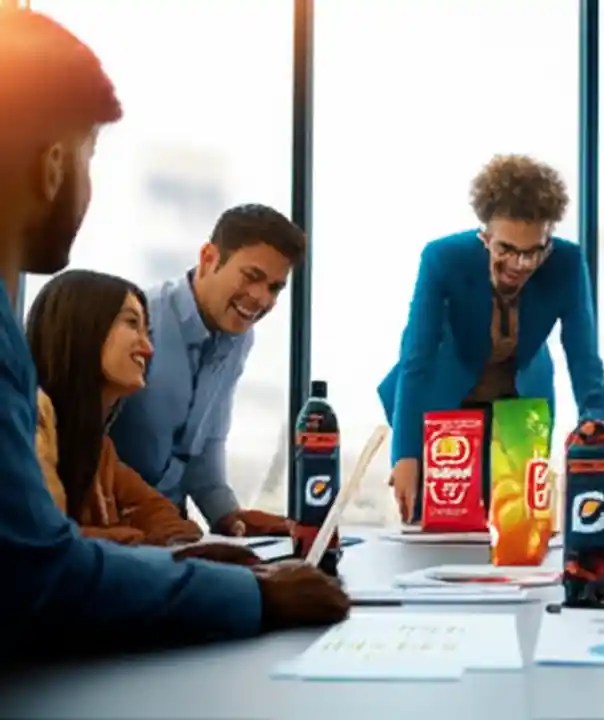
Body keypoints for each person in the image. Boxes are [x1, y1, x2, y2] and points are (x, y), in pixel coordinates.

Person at [0, 8, 346, 653]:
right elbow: (34, 566)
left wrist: (219, 529)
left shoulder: (234, 344)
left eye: (275, 288)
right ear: (52, 165)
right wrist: (237, 587)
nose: (261, 299)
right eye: (88, 155)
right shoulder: (50, 369)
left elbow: (198, 466)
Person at [381, 154, 604, 523]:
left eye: (534, 251)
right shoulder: (443, 258)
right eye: (506, 249)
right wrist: (405, 455)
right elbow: (418, 357)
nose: (521, 264)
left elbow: (586, 366)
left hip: (519, 400)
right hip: (442, 398)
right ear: (485, 238)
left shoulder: (568, 264)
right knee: (443, 526)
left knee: (517, 525)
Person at [110, 203, 304, 537]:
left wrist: (229, 517)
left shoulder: (239, 338)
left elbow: (204, 447)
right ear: (208, 258)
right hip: (115, 527)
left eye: (274, 287)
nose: (261, 298)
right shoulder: (142, 321)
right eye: (252, 277)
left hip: (171, 527)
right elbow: (88, 447)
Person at [29, 270, 207, 546]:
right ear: (82, 326)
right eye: (131, 323)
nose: (148, 349)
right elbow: (43, 543)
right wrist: (129, 537)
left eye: (147, 331)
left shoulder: (100, 450)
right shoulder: (27, 426)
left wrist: (117, 539)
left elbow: (173, 523)